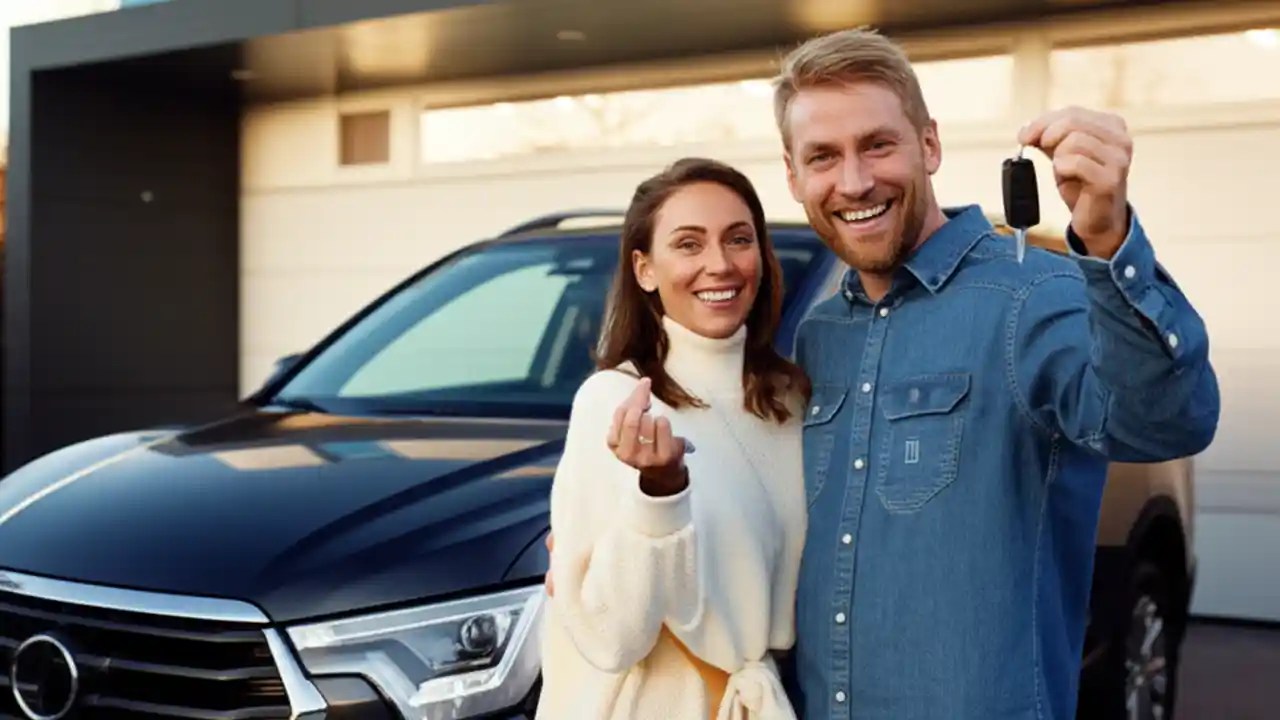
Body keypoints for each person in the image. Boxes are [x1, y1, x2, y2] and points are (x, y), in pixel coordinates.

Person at [774, 28, 1220, 720]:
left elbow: (1169, 418)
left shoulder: (1034, 295)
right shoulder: (820, 333)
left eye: (878, 145)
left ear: (929, 145)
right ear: (794, 174)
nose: (854, 181)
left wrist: (1107, 237)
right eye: (824, 157)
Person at [536, 157, 812, 720]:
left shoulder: (792, 400)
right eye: (689, 244)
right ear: (644, 269)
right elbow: (610, 636)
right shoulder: (614, 404)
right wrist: (659, 493)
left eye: (739, 239)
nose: (720, 264)